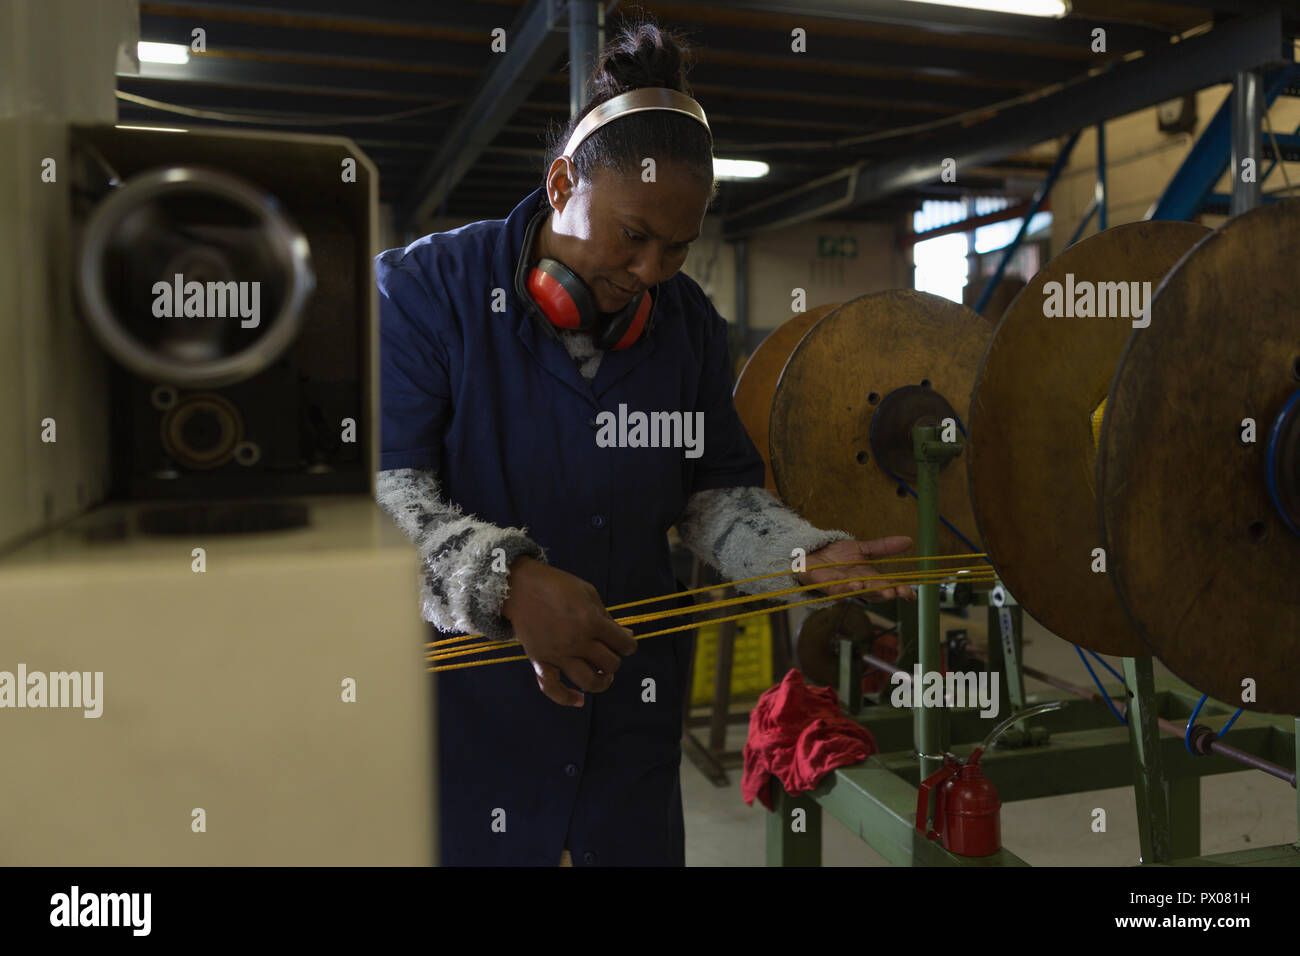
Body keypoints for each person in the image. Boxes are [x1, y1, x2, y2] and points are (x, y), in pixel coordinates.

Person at [375, 20, 914, 867]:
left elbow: (711, 493)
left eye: (679, 246)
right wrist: (506, 582)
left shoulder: (686, 324)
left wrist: (800, 556)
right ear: (561, 183)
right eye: (631, 236)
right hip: (472, 718)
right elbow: (379, 503)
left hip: (629, 710)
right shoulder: (425, 293)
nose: (652, 271)